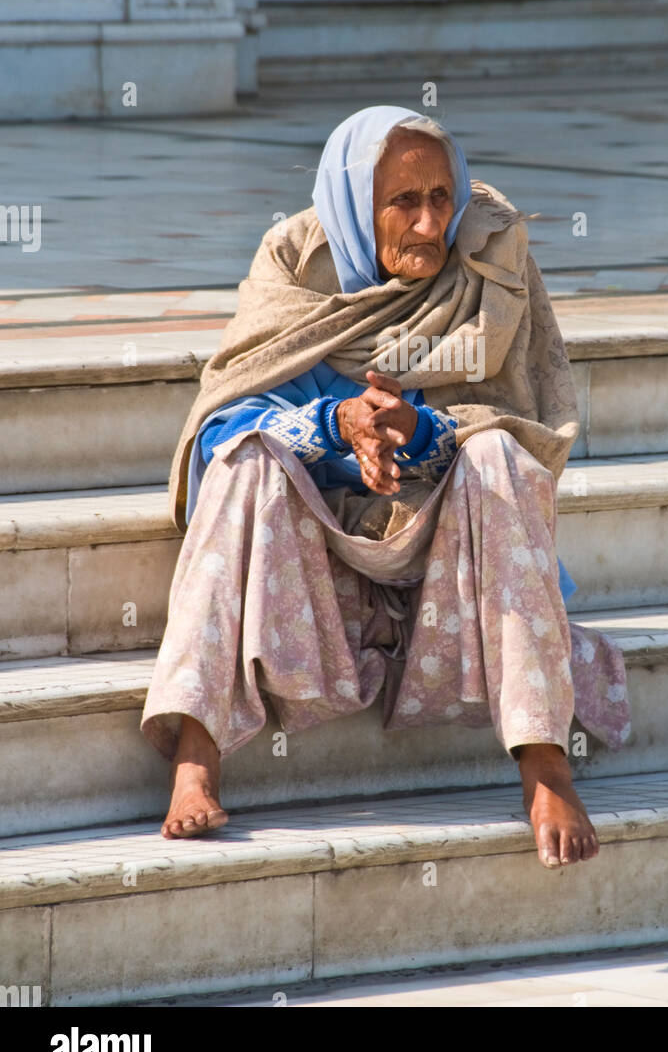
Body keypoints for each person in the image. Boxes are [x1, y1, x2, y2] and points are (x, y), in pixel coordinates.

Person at [141, 105, 631, 868]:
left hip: (445, 564)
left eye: (442, 197)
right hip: (316, 569)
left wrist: (420, 431)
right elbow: (218, 423)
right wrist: (338, 423)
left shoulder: (484, 270)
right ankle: (196, 754)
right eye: (403, 202)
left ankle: (544, 763)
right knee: (243, 460)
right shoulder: (295, 267)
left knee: (499, 456)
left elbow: (516, 415)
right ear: (351, 205)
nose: (430, 223)